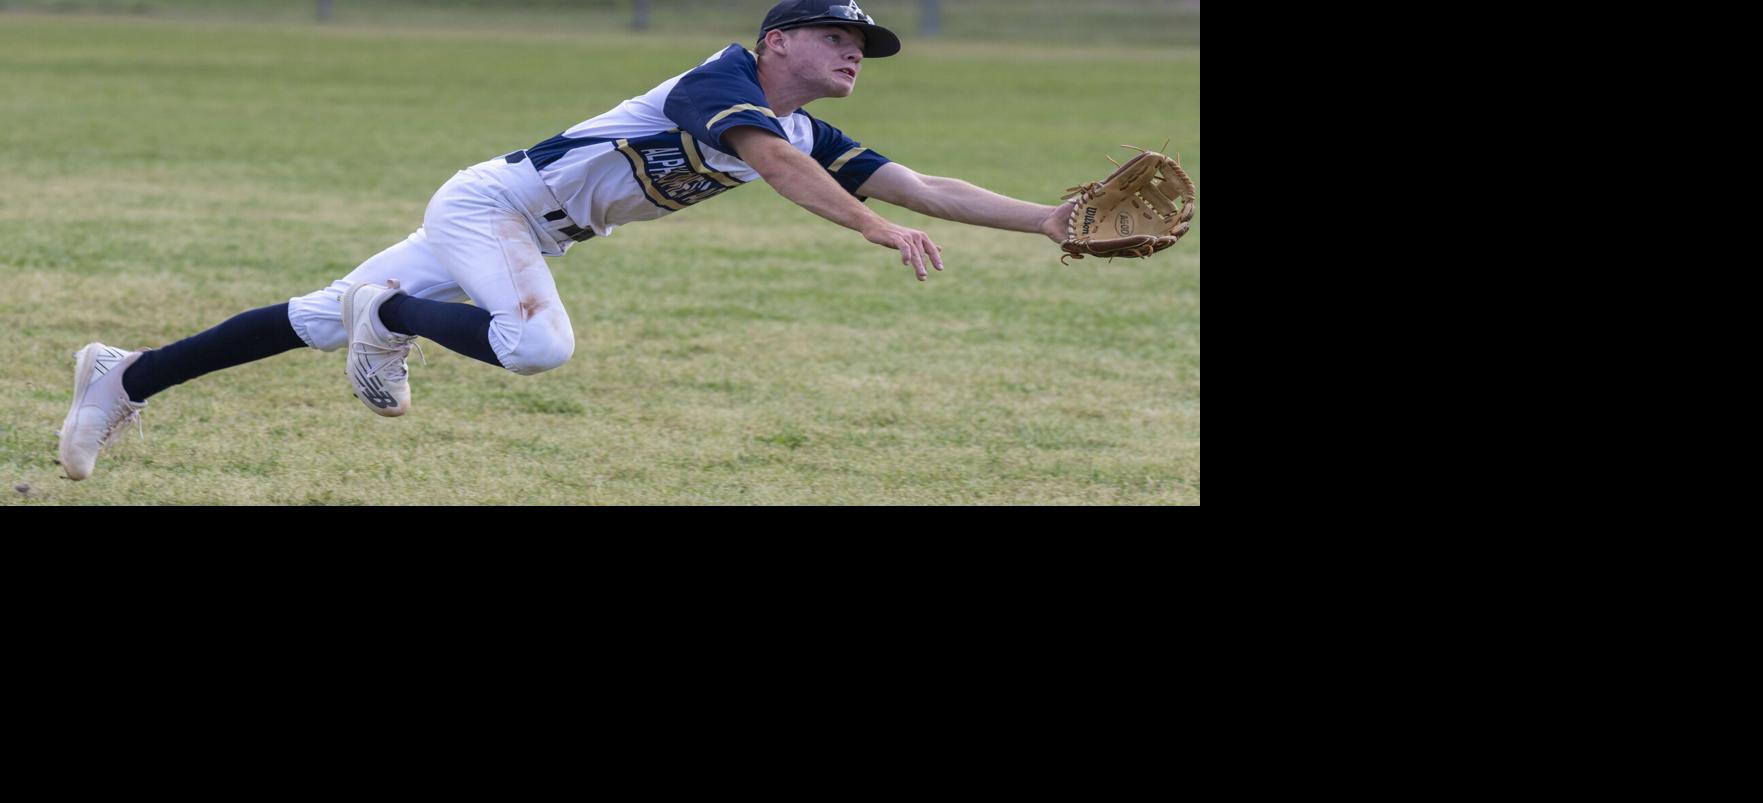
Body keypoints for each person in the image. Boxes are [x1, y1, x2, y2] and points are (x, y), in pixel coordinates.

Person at [57, 0, 1077, 481]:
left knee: (316, 318)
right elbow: (772, 167)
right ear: (777, 42)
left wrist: (1044, 220)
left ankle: (121, 376)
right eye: (835, 36)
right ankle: (396, 319)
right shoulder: (717, 83)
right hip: (489, 209)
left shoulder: (807, 126)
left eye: (864, 45)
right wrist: (868, 225)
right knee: (537, 346)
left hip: (524, 228)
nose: (855, 51)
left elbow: (925, 184)